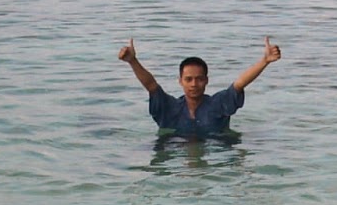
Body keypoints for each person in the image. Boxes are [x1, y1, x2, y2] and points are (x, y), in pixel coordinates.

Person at [119, 37, 282, 136]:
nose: (194, 84)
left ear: (206, 80)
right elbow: (151, 85)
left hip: (217, 148)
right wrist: (133, 61)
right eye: (188, 79)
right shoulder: (169, 108)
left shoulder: (218, 104)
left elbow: (239, 84)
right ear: (180, 81)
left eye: (199, 79)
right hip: (175, 148)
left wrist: (264, 61)